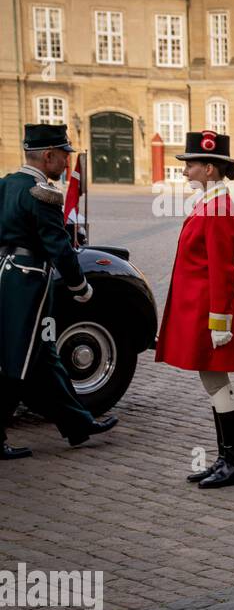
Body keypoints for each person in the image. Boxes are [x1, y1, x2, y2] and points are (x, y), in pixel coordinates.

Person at [0, 123, 117, 458]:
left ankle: (78, 425)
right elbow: (59, 248)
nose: (67, 162)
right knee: (17, 362)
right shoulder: (43, 193)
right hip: (29, 281)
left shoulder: (7, 185)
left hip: (6, 275)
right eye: (64, 155)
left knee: (43, 356)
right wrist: (81, 287)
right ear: (48, 155)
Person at [154, 131, 234, 488]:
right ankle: (228, 459)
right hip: (200, 311)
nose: (185, 170)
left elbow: (223, 271)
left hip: (211, 314)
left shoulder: (219, 209)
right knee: (210, 380)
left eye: (191, 164)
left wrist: (219, 322)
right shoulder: (210, 203)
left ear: (209, 169)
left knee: (215, 379)